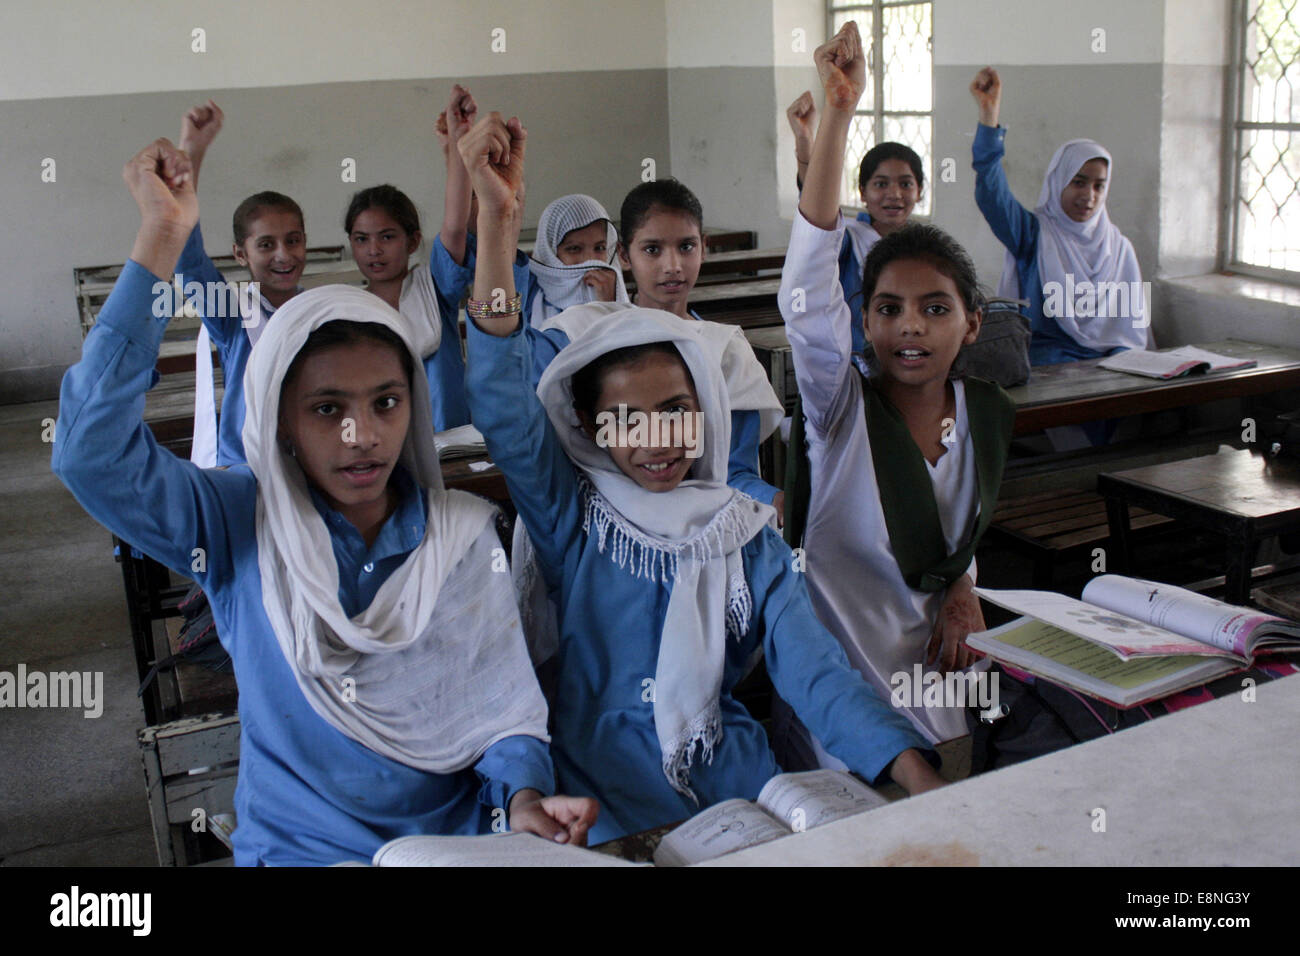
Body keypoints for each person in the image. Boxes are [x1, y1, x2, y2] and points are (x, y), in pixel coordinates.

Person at [52, 137, 596, 864]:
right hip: (299, 850)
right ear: (279, 417)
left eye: (387, 401)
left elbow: (499, 711)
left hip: (451, 846)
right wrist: (160, 237)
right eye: (325, 408)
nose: (361, 435)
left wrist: (523, 799)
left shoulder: (461, 537)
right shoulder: (236, 524)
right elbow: (89, 451)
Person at [458, 108, 946, 843]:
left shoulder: (743, 533)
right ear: (591, 429)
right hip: (605, 785)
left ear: (709, 413)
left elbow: (817, 673)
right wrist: (497, 224)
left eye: (678, 411)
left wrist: (915, 770)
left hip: (731, 770)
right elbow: (499, 399)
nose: (659, 443)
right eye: (629, 419)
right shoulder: (575, 517)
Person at [778, 22, 1015, 750]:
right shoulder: (839, 408)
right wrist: (839, 114)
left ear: (972, 325)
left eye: (935, 309)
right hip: (843, 694)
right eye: (888, 309)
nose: (910, 328)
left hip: (940, 672)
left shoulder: (984, 415)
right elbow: (808, 292)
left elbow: (957, 529)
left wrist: (963, 588)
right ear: (865, 320)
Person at [970, 66, 1150, 366]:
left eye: (1098, 186)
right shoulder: (1033, 235)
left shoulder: (1118, 249)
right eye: (1078, 182)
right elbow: (991, 195)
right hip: (1047, 364)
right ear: (1057, 182)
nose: (1088, 196)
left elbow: (1130, 336)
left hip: (1111, 366)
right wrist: (989, 117)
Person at [173, 100, 307, 467]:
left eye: (293, 240)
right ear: (240, 253)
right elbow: (186, 257)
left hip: (309, 465)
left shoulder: (320, 309)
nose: (284, 255)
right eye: (266, 245)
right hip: (247, 468)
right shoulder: (233, 314)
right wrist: (192, 153)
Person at [787, 91, 925, 357]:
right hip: (855, 361)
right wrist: (805, 146)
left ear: (919, 191)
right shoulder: (848, 239)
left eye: (906, 184)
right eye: (880, 184)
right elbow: (819, 222)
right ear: (862, 192)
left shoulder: (927, 246)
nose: (894, 194)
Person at [524, 193, 629, 323]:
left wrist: (610, 306)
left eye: (599, 248)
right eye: (574, 249)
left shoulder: (614, 293)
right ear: (550, 254)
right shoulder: (525, 296)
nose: (590, 260)